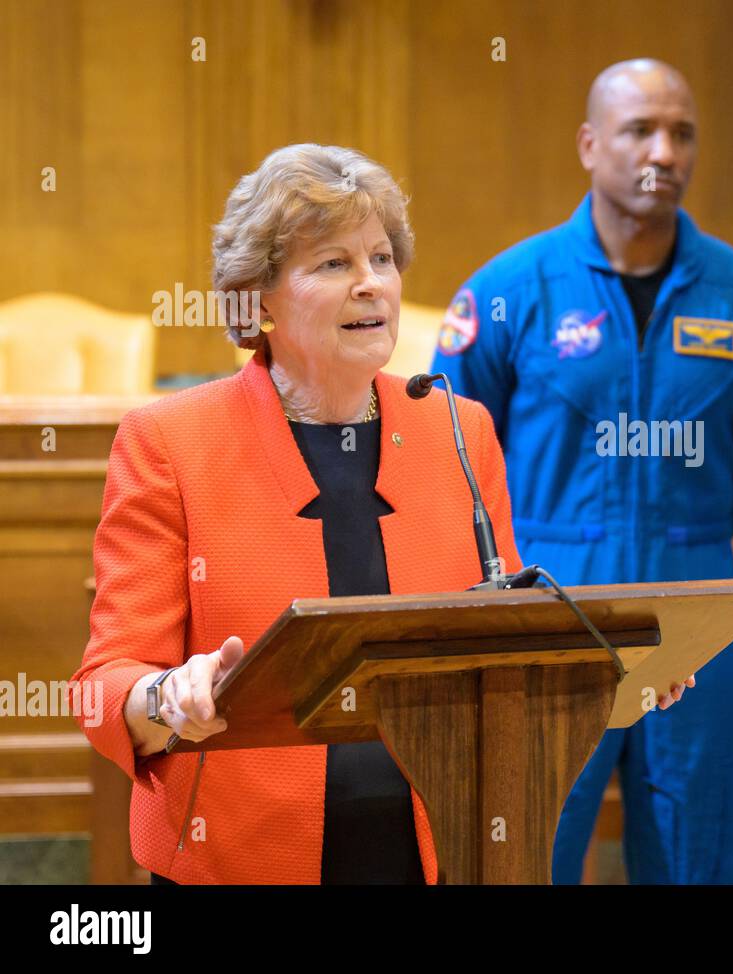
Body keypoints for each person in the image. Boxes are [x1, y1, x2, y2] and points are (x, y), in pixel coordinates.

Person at [72, 143, 689, 885]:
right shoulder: (171, 442)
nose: (371, 285)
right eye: (333, 264)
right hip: (239, 854)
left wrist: (610, 670)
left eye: (381, 259)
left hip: (440, 844)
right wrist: (166, 696)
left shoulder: (458, 431)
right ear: (257, 300)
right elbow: (107, 679)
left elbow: (501, 639)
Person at [433, 59, 733, 884]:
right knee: (533, 837)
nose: (664, 151)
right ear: (590, 142)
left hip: (695, 596)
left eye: (682, 133)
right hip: (550, 594)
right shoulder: (509, 291)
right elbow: (455, 446)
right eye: (641, 129)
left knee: (692, 843)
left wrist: (686, 525)